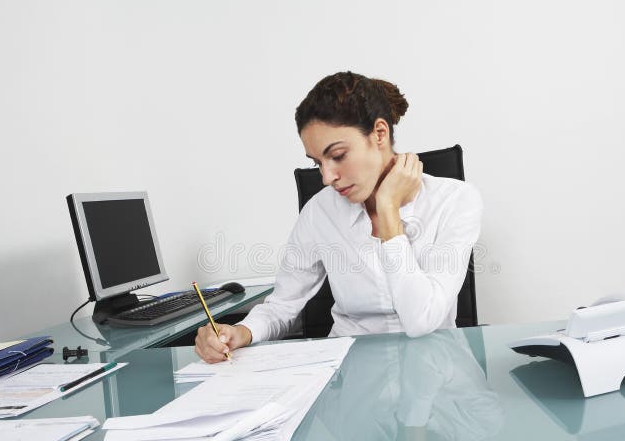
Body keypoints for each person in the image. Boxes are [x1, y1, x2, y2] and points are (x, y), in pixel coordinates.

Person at [195, 71, 483, 363]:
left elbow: (421, 320)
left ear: (379, 134)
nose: (326, 177)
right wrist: (240, 332)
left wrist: (387, 210)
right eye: (318, 163)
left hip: (433, 370)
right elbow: (282, 306)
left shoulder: (455, 201)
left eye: (338, 155)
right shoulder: (319, 212)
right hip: (351, 371)